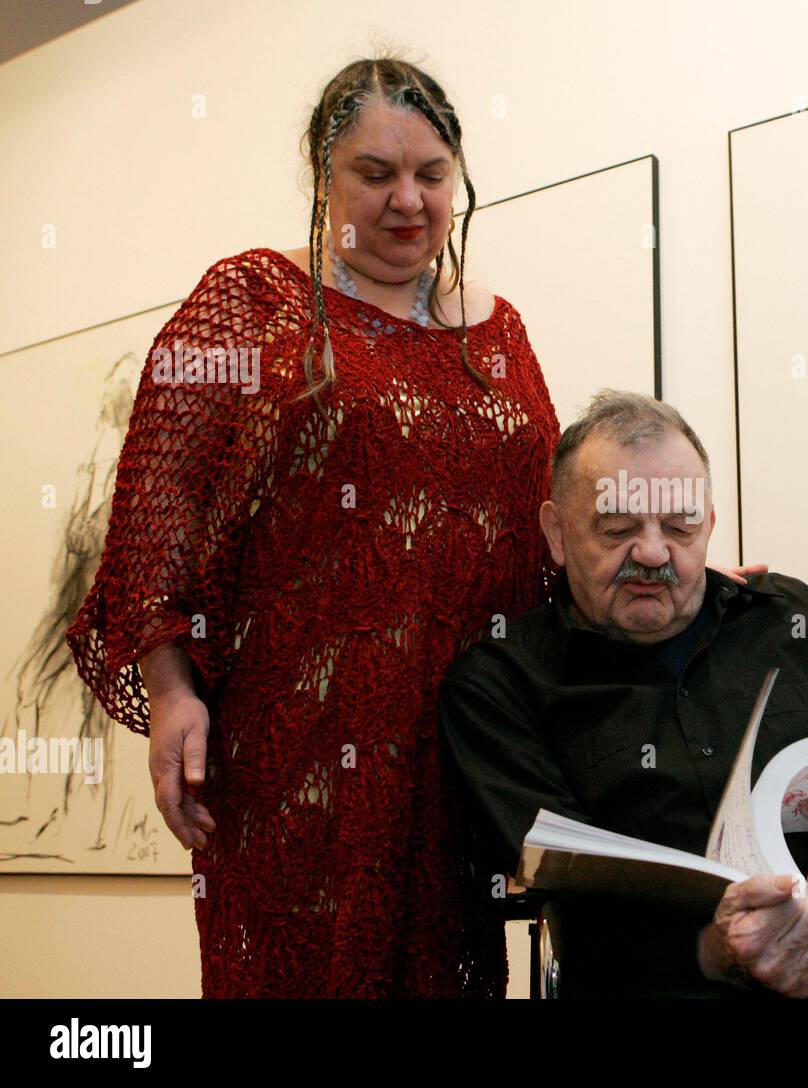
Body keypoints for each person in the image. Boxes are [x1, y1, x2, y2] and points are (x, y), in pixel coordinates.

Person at [65, 56, 565, 997]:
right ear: (322, 175)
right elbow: (155, 516)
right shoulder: (252, 305)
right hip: (295, 769)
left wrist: (667, 585)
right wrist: (172, 690)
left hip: (460, 768)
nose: (408, 201)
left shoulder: (503, 335)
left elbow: (549, 529)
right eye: (375, 174)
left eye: (431, 174)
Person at [440, 390, 808, 997]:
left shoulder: (789, 619)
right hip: (675, 980)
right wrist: (710, 949)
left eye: (679, 526)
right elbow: (570, 900)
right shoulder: (502, 684)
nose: (651, 553)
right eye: (618, 529)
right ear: (558, 534)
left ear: (710, 526)